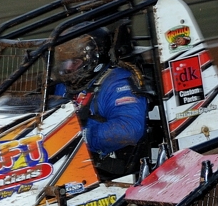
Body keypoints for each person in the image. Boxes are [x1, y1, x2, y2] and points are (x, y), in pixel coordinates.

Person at [53, 29, 147, 178]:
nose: (67, 68)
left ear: (93, 59)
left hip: (105, 170)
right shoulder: (64, 86)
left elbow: (129, 130)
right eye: (64, 62)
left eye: (74, 62)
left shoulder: (117, 83)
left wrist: (78, 137)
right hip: (65, 163)